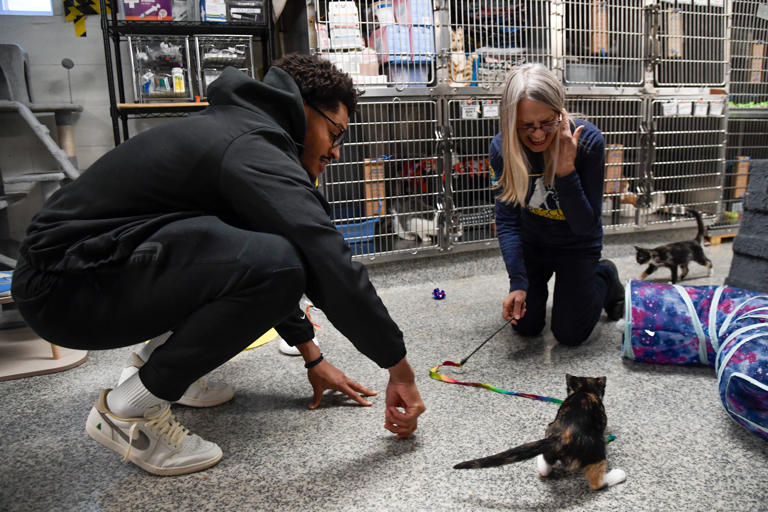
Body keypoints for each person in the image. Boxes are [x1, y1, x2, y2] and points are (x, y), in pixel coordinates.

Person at [11, 53, 426, 476]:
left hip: (79, 275)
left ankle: (170, 373)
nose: (335, 152)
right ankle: (129, 411)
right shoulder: (252, 145)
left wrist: (312, 357)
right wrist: (399, 369)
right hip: (66, 290)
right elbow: (322, 260)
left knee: (257, 254)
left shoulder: (237, 129)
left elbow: (247, 260)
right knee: (280, 263)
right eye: (335, 133)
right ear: (303, 110)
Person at [490, 63, 624, 347]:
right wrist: (518, 283)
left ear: (560, 112)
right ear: (510, 121)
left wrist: (565, 170)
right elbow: (507, 221)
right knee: (525, 326)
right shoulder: (502, 147)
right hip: (533, 244)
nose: (537, 135)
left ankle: (605, 276)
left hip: (577, 244)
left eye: (546, 123)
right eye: (526, 126)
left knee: (570, 335)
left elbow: (586, 225)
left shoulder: (588, 141)